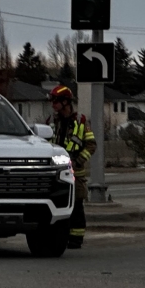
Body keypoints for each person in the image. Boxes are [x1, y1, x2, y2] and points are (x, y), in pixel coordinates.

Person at [48, 85, 96, 249]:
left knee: (76, 206)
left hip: (75, 173)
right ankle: (60, 236)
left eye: (56, 100)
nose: (53, 104)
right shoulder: (51, 122)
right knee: (57, 204)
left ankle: (76, 238)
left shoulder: (80, 122)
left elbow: (91, 145)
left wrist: (78, 161)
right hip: (55, 172)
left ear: (66, 102)